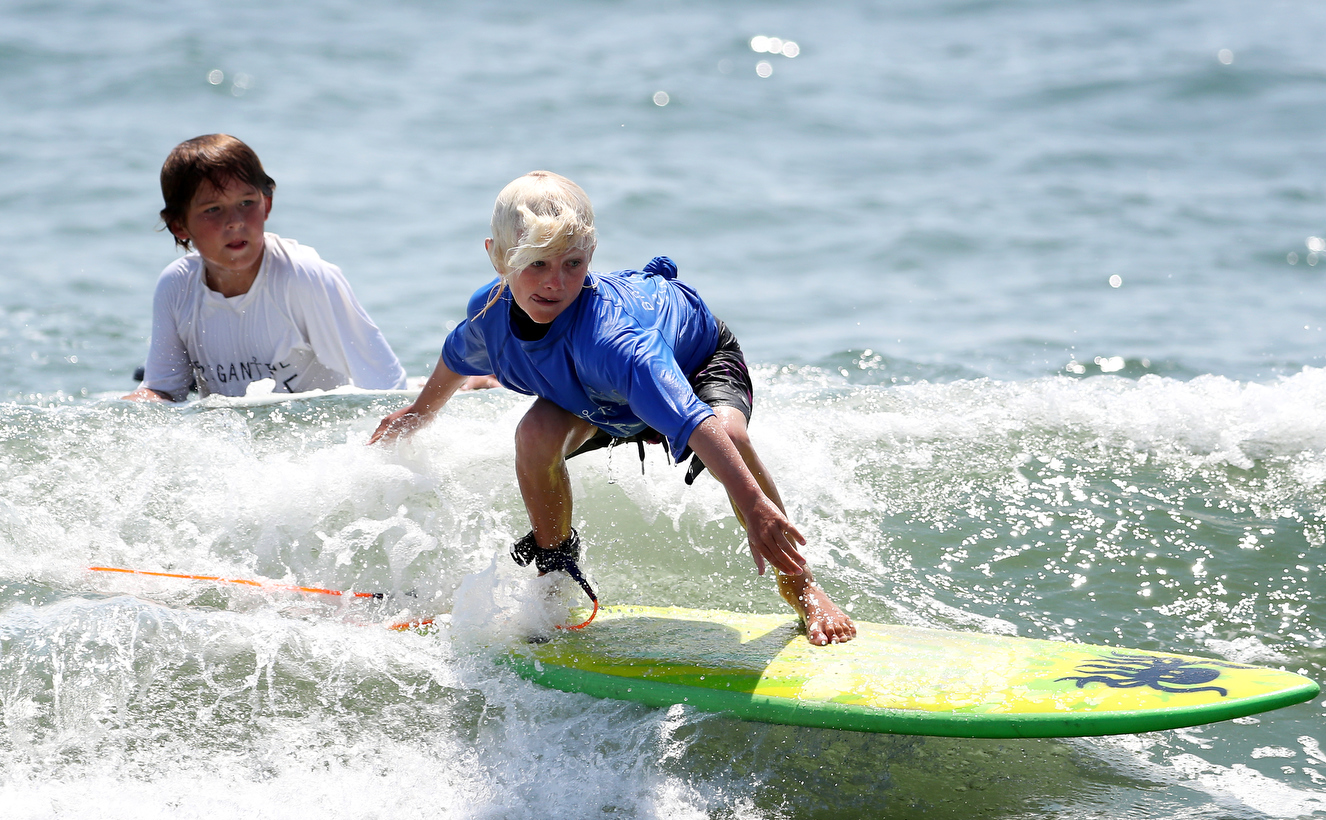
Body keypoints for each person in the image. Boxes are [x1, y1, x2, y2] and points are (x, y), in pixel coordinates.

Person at [370, 171, 855, 645]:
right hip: (601, 397)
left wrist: (754, 507)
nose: (556, 283)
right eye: (536, 263)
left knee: (732, 435)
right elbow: (455, 359)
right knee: (534, 434)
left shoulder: (615, 341)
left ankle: (804, 589)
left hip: (693, 365)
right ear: (497, 257)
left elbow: (696, 421)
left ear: (591, 256)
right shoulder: (488, 316)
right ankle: (555, 571)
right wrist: (420, 412)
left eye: (573, 264)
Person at [126, 134, 408, 402]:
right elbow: (163, 392)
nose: (235, 221)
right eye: (213, 209)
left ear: (267, 205)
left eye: (246, 202)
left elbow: (388, 387)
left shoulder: (304, 277)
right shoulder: (176, 286)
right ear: (179, 225)